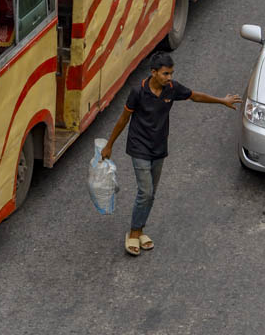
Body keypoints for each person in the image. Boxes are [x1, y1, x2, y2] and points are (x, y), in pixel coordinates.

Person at [100, 52, 241, 256]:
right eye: (165, 73)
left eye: (171, 73)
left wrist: (221, 100)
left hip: (159, 148)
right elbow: (123, 119)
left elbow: (194, 96)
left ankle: (140, 230)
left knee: (151, 193)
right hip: (139, 147)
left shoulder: (172, 89)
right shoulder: (138, 92)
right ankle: (133, 232)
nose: (169, 77)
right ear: (153, 72)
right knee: (146, 192)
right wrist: (109, 145)